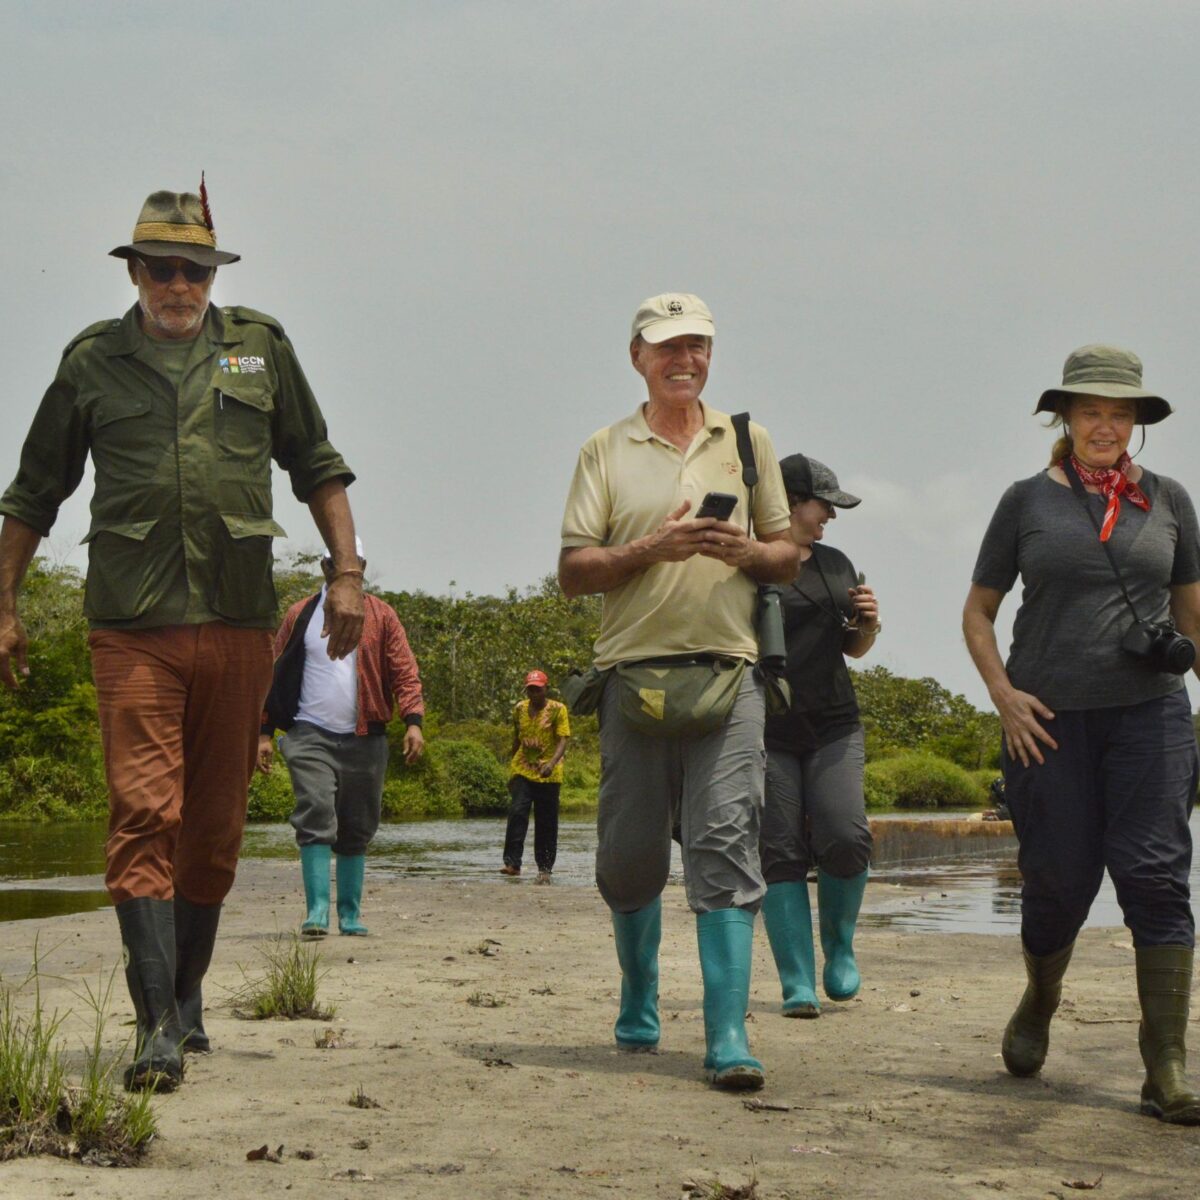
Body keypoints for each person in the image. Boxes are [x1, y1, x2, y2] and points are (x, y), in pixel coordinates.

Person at [0, 186, 363, 1092]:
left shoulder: (259, 349)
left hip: (240, 623)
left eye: (196, 269)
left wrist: (346, 572)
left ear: (213, 275)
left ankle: (186, 999)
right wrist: (3, 603)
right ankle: (154, 1023)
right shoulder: (92, 362)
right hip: (132, 626)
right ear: (134, 271)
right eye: (162, 268)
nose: (180, 285)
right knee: (142, 812)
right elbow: (32, 494)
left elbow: (316, 461)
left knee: (213, 831)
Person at [559, 292, 798, 1090]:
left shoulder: (749, 442)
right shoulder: (603, 448)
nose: (683, 360)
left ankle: (728, 1036)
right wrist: (653, 546)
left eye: (696, 346)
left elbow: (787, 556)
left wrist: (746, 551)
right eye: (667, 348)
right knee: (627, 863)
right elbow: (573, 572)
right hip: (632, 679)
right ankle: (639, 994)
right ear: (638, 357)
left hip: (731, 675)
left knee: (726, 848)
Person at [962, 344, 1200, 1125]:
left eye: (1121, 412)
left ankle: (1165, 1066)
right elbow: (979, 612)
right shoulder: (1026, 501)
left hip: (1152, 715)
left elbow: (1191, 615)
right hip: (1049, 723)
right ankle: (1040, 996)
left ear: (1137, 422)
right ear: (1064, 416)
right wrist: (1003, 696)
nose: (1106, 425)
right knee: (1058, 882)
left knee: (1157, 877)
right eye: (1091, 410)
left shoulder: (1170, 500)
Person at [759, 454, 879, 1019]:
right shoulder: (752, 560)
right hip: (766, 728)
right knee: (779, 850)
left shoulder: (837, 563)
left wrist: (869, 625)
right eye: (822, 503)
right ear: (790, 501)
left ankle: (839, 948)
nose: (830, 513)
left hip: (833, 722)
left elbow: (852, 648)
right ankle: (797, 981)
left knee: (845, 834)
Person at [258, 538, 425, 936]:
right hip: (308, 733)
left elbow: (404, 670)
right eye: (337, 563)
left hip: (366, 738)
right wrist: (264, 732)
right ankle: (316, 912)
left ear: (362, 567)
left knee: (357, 826)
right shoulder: (301, 615)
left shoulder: (382, 616)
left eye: (354, 564)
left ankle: (349, 914)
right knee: (316, 812)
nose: (346, 571)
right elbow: (272, 673)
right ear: (325, 566)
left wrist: (414, 720)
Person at [500, 670, 570, 883]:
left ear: (546, 689)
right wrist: (511, 769)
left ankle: (545, 869)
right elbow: (516, 738)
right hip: (523, 769)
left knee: (546, 822)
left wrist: (551, 763)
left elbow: (563, 740)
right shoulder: (519, 709)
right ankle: (513, 863)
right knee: (517, 812)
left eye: (538, 689)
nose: (534, 694)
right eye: (530, 689)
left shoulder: (558, 710)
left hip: (548, 773)